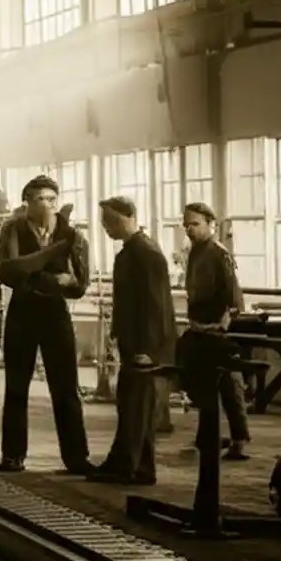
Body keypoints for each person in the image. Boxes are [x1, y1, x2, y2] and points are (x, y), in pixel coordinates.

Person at [0, 175, 93, 475]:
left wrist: (34, 273)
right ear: (28, 202)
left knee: (66, 388)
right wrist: (50, 268)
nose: (48, 205)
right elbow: (8, 271)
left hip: (55, 312)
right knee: (16, 388)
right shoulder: (13, 229)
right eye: (40, 199)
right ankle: (12, 456)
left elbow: (79, 284)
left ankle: (76, 457)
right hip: (23, 311)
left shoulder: (71, 234)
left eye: (52, 199)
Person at [89, 196, 175, 485]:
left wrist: (148, 350)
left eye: (110, 222)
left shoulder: (146, 254)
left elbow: (156, 305)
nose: (106, 229)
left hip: (142, 346)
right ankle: (139, 467)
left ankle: (127, 466)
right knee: (131, 406)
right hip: (132, 341)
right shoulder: (131, 252)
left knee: (137, 407)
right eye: (104, 223)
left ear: (128, 217)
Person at [182, 201, 251, 461]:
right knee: (202, 383)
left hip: (217, 331)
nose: (190, 229)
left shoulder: (218, 253)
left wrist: (225, 324)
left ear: (211, 225)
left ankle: (239, 439)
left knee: (230, 386)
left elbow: (234, 296)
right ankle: (207, 435)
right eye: (186, 224)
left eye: (195, 224)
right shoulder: (195, 252)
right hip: (199, 327)